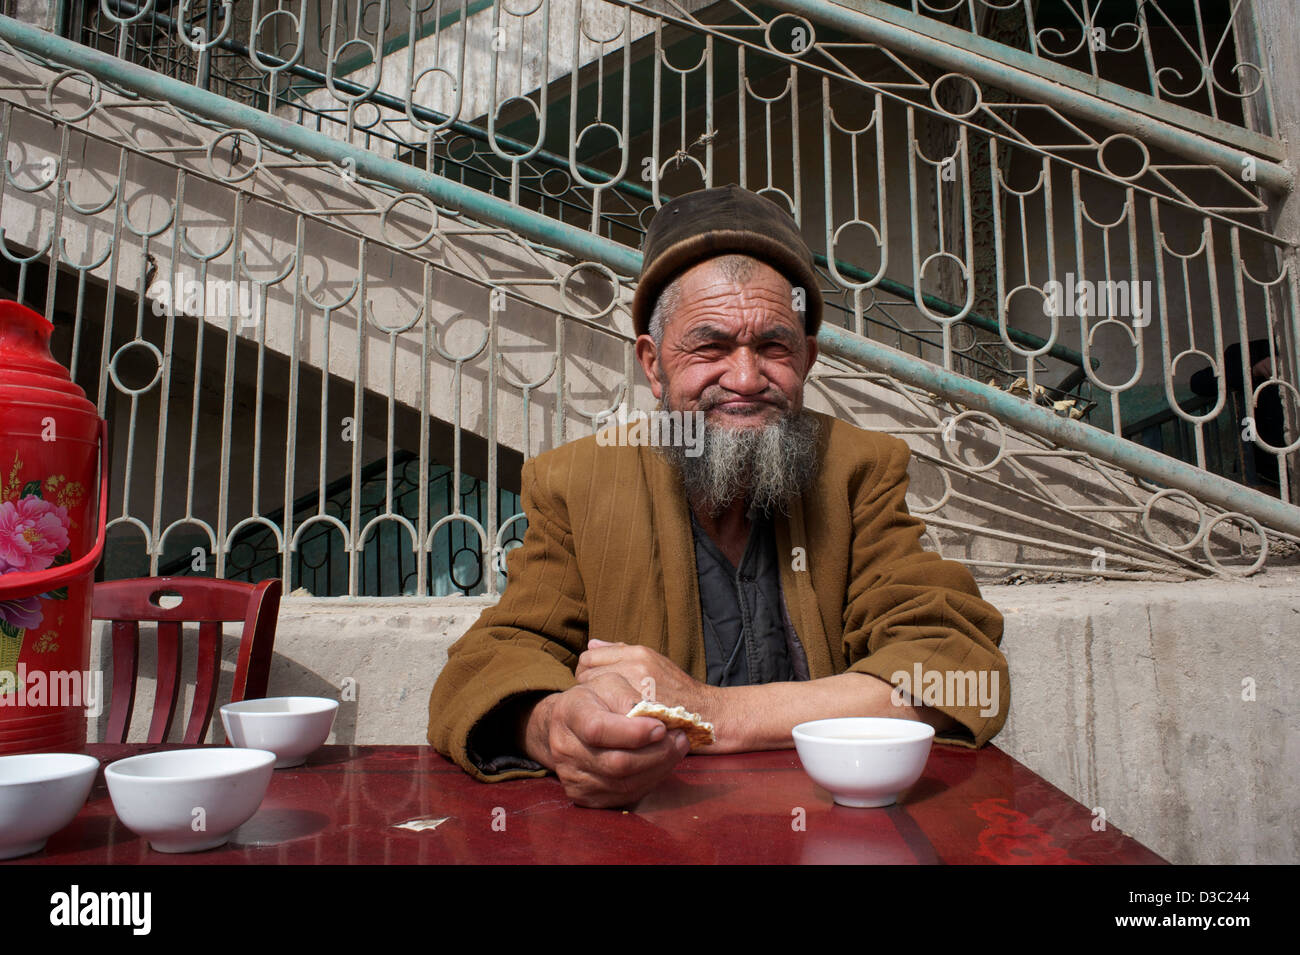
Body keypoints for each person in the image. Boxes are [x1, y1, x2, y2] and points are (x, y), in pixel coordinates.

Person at [427, 184, 1009, 808]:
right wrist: (554, 727)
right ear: (652, 365)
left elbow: (960, 673)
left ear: (807, 359)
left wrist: (713, 713)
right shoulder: (578, 483)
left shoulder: (855, 469)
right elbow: (491, 662)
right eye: (710, 346)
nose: (745, 378)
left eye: (773, 346)